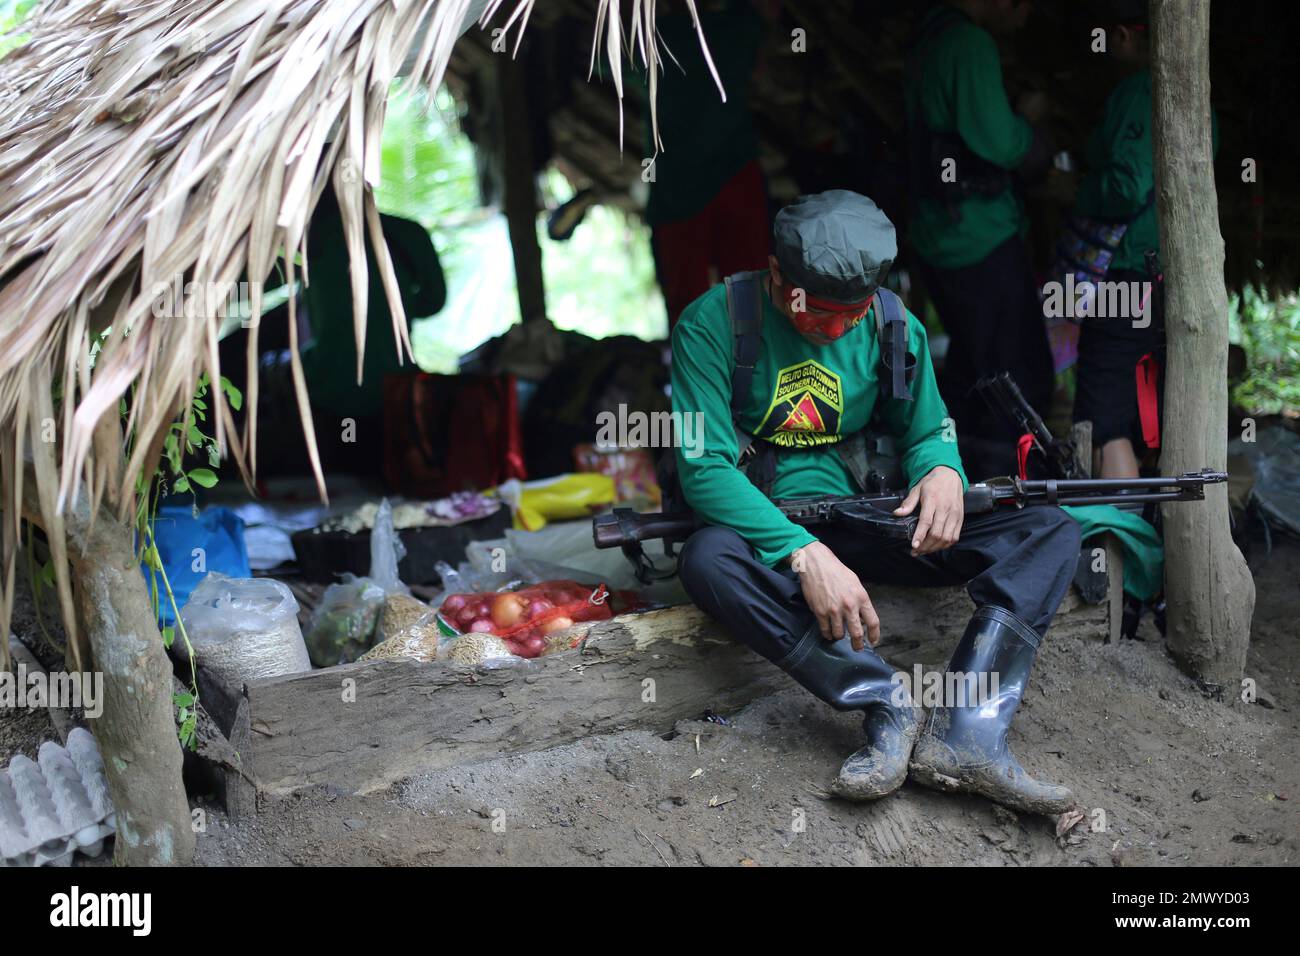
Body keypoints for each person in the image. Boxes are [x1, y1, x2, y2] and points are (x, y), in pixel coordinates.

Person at [671, 190, 1081, 815]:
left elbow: (928, 428)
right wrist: (802, 553)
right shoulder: (714, 324)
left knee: (1048, 531)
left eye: (849, 315)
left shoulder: (893, 323)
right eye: (815, 313)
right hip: (771, 532)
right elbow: (703, 471)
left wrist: (942, 467)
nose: (833, 330)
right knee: (706, 559)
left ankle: (968, 733)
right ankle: (887, 700)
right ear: (777, 274)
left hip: (874, 516)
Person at [905, 0, 1054, 479]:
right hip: (977, 235)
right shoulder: (969, 43)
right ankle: (1009, 496)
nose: (1026, 14)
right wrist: (1028, 123)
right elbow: (997, 140)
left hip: (938, 235)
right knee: (1018, 380)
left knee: (972, 373)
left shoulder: (927, 35)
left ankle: (959, 483)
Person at [1071, 0, 1216, 478]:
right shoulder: (1197, 94)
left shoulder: (1137, 92)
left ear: (1126, 36)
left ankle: (1118, 547)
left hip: (1126, 276)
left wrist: (1077, 189)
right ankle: (1154, 536)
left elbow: (1125, 189)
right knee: (1154, 407)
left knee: (1104, 413)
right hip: (1170, 276)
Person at [643, 0, 771, 328]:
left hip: (681, 187)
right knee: (749, 298)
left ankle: (707, 369)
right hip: (731, 173)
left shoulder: (653, 38)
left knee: (690, 303)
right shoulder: (737, 28)